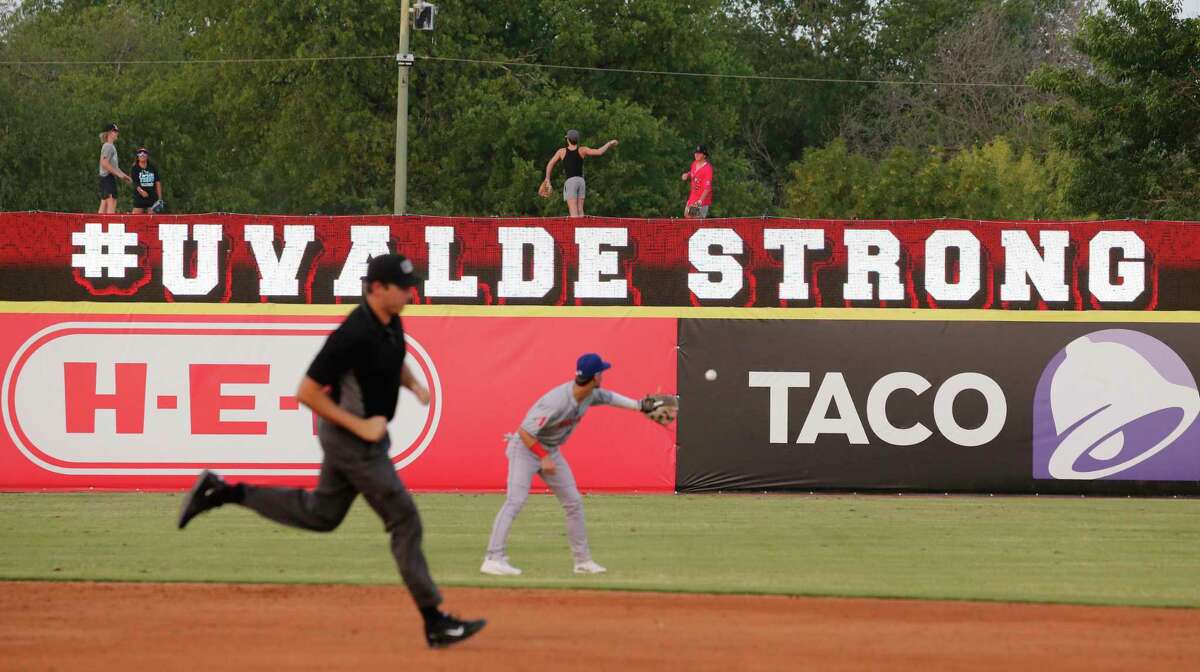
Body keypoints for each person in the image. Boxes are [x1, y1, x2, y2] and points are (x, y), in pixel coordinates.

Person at [177, 254, 486, 649]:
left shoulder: (391, 322)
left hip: (361, 439)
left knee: (322, 515)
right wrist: (361, 426)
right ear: (377, 289)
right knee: (404, 518)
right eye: (402, 285)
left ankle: (223, 491)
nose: (411, 291)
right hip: (353, 441)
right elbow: (306, 392)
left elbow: (395, 361)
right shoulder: (353, 333)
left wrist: (413, 385)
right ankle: (434, 620)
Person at [481, 354, 672, 576]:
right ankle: (493, 558)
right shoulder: (557, 401)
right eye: (602, 372)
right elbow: (525, 432)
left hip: (549, 450)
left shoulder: (590, 394)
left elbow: (612, 399)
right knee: (515, 501)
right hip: (525, 449)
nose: (604, 375)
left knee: (573, 503)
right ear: (596, 376)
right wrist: (543, 456)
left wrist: (639, 406)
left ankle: (582, 562)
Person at [541, 129, 618, 218]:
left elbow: (550, 164)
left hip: (571, 182)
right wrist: (609, 143)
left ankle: (575, 230)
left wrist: (547, 178)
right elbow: (599, 152)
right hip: (581, 182)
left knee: (573, 211)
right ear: (577, 139)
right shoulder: (582, 150)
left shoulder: (562, 151)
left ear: (567, 139)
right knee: (580, 211)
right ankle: (581, 230)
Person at [97, 123, 132, 213]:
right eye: (115, 131)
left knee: (104, 205)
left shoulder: (111, 147)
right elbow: (104, 163)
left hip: (107, 179)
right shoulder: (108, 146)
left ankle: (98, 225)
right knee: (111, 204)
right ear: (109, 133)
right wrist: (120, 176)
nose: (117, 133)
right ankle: (107, 226)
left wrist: (124, 176)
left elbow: (115, 167)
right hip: (107, 179)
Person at [681, 144, 713, 218]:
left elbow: (707, 189)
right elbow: (693, 173)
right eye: (696, 153)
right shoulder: (694, 164)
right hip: (693, 197)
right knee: (687, 215)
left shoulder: (708, 169)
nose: (696, 154)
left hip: (702, 200)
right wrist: (687, 175)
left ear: (704, 155)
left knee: (695, 220)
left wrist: (699, 202)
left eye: (699, 153)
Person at [129, 147, 163, 214]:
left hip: (152, 196)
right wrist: (141, 191)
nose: (142, 155)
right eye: (140, 154)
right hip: (139, 196)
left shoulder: (152, 167)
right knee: (135, 219)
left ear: (147, 156)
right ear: (138, 157)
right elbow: (134, 183)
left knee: (152, 219)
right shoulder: (135, 168)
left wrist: (160, 198)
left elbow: (157, 182)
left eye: (144, 154)